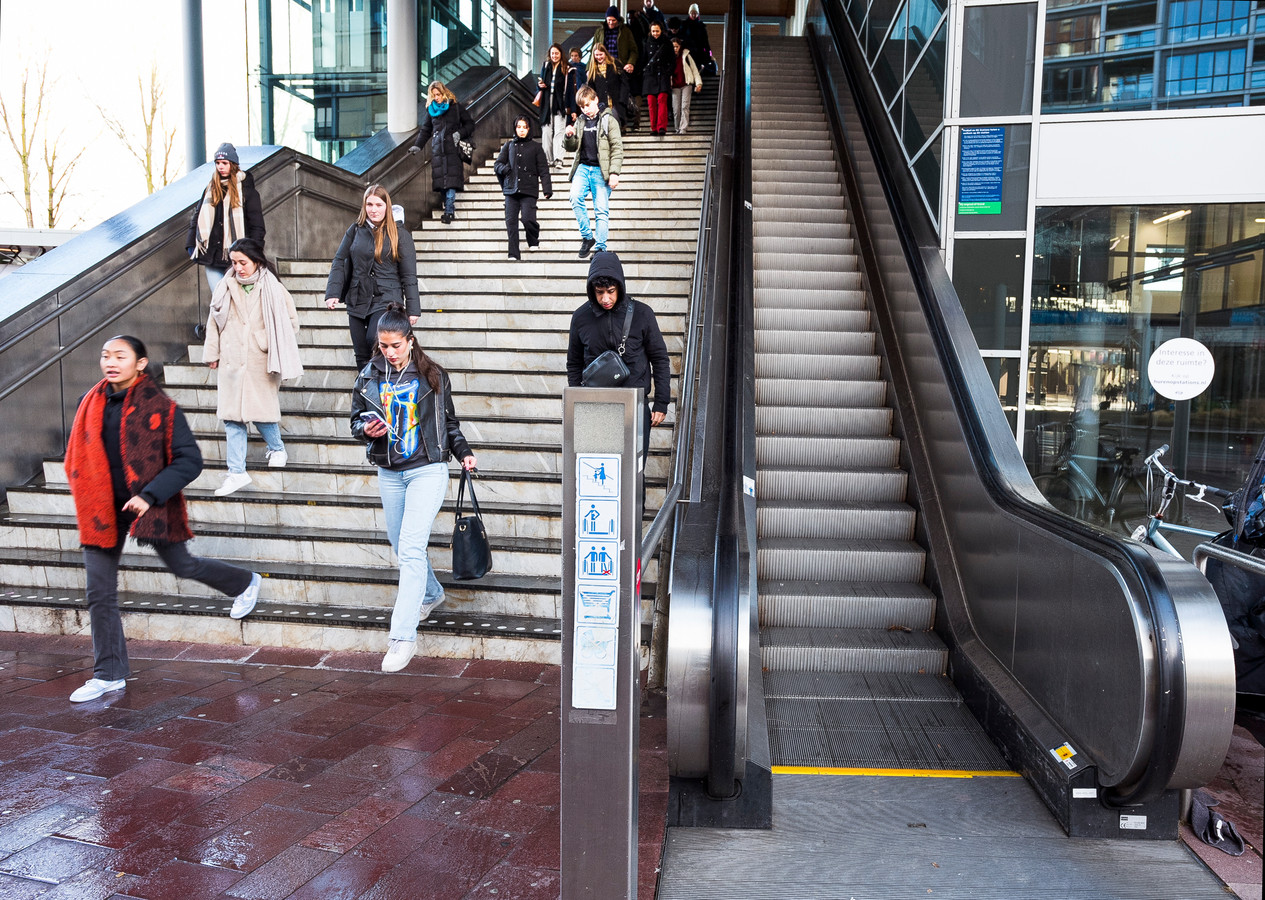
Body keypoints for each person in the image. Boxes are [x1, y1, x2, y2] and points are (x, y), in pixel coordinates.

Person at [63, 336, 263, 702]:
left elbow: (190, 461)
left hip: (150, 505)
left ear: (140, 363)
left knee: (183, 565)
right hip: (102, 508)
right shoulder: (88, 403)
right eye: (105, 355)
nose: (110, 362)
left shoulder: (162, 408)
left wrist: (149, 495)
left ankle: (244, 582)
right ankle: (108, 674)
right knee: (99, 592)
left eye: (120, 356)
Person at [349, 304, 477, 673]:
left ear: (410, 340)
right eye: (383, 346)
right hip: (390, 472)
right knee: (399, 542)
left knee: (409, 548)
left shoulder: (432, 375)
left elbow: (449, 421)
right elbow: (354, 420)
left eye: (395, 345)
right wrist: (365, 430)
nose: (388, 352)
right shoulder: (369, 376)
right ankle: (432, 593)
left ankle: (402, 637)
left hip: (427, 470)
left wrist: (464, 452)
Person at [203, 238, 302, 497]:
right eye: (234, 263)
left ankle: (278, 448)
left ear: (256, 260)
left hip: (261, 360)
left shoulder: (273, 287)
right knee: (232, 417)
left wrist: (266, 342)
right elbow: (213, 322)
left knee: (261, 411)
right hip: (231, 359)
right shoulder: (225, 286)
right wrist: (212, 353)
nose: (238, 268)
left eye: (242, 262)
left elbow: (291, 323)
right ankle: (236, 472)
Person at [566, 251, 671, 466]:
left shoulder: (642, 314)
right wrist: (578, 402)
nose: (605, 299)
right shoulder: (581, 317)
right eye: (599, 292)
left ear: (620, 287)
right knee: (598, 468)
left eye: (611, 292)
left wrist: (661, 403)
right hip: (595, 407)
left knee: (634, 468)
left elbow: (659, 358)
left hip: (634, 405)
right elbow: (574, 363)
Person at [324, 184, 420, 371]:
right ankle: (367, 395)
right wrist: (333, 292)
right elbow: (339, 259)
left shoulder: (400, 234)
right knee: (360, 352)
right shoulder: (355, 230)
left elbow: (409, 274)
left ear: (387, 206)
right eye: (369, 205)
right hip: (358, 297)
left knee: (373, 341)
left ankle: (384, 387)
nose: (373, 210)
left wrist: (413, 309)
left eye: (378, 205)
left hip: (387, 298)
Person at [187, 143, 265, 293]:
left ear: (233, 164)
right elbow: (197, 217)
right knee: (219, 299)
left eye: (224, 163)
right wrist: (191, 246)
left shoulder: (247, 191)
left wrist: (253, 253)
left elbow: (257, 226)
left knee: (238, 299)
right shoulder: (210, 189)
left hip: (239, 259)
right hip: (212, 257)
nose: (220, 167)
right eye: (217, 163)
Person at [565, 86, 624, 258]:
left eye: (588, 105)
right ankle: (587, 237)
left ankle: (600, 248)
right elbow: (572, 147)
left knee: (601, 210)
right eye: (582, 106)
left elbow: (617, 148)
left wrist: (614, 172)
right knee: (575, 197)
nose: (585, 109)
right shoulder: (581, 121)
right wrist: (569, 136)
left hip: (600, 170)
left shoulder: (608, 120)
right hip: (583, 168)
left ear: (596, 100)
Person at [409, 81, 475, 224]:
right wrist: (417, 146)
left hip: (453, 150)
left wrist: (459, 133)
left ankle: (449, 211)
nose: (437, 98)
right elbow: (425, 130)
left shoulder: (455, 107)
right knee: (442, 185)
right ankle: (448, 208)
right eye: (434, 95)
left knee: (451, 183)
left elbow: (470, 124)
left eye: (438, 94)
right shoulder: (431, 111)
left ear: (444, 92)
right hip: (438, 151)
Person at [494, 116, 553, 260]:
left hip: (529, 190)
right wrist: (505, 169)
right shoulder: (508, 146)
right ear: (515, 128)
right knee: (511, 223)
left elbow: (543, 170)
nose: (521, 130)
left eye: (524, 127)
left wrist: (547, 189)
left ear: (529, 129)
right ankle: (513, 253)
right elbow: (497, 165)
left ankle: (533, 240)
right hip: (511, 190)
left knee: (528, 219)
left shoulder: (536, 147)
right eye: (519, 127)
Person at [538, 43, 576, 169]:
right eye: (552, 53)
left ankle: (558, 159)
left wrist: (573, 110)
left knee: (559, 132)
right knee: (546, 132)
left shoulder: (567, 69)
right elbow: (540, 84)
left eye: (556, 53)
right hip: (546, 105)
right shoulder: (546, 66)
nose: (554, 56)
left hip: (560, 105)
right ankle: (548, 160)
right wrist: (540, 85)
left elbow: (571, 91)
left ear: (561, 54)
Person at [641, 21, 674, 137]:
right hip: (650, 76)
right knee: (651, 102)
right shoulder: (646, 43)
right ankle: (653, 128)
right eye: (653, 31)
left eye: (657, 31)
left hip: (663, 75)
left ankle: (661, 127)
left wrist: (668, 73)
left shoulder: (667, 43)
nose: (655, 33)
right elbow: (643, 60)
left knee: (662, 100)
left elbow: (672, 61)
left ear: (661, 31)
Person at [586, 43, 628, 132]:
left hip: (616, 101)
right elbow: (591, 89)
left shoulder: (615, 64)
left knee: (615, 125)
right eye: (596, 55)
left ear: (605, 53)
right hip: (601, 104)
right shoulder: (592, 69)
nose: (599, 57)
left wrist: (623, 99)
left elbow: (624, 82)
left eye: (600, 54)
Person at [669, 35, 704, 134]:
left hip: (686, 84)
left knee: (685, 106)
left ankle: (683, 128)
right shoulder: (668, 57)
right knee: (676, 109)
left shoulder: (686, 55)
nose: (675, 49)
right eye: (673, 47)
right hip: (674, 86)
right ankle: (677, 128)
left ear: (680, 46)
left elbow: (694, 70)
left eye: (677, 46)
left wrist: (698, 83)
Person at [679, 4, 713, 74]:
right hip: (688, 50)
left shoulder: (701, 26)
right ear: (689, 13)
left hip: (699, 51)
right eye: (692, 13)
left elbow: (705, 41)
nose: (694, 15)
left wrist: (708, 52)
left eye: (695, 13)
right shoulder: (684, 25)